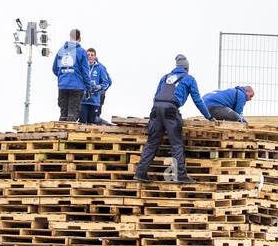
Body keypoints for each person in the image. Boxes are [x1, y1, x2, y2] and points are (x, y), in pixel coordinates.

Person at [133, 54, 214, 183]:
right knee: (176, 144)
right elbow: (197, 100)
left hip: (156, 109)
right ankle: (180, 175)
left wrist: (158, 111)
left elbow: (156, 96)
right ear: (186, 68)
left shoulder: (165, 77)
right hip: (170, 110)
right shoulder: (189, 79)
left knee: (152, 143)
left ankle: (140, 173)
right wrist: (209, 116)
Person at [52, 29, 93, 122]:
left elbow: (54, 69)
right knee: (72, 114)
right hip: (76, 86)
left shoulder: (61, 50)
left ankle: (61, 134)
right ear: (80, 38)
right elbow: (85, 73)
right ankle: (69, 135)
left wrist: (63, 76)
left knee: (63, 114)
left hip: (62, 86)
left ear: (70, 37)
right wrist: (88, 88)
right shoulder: (82, 52)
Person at [79, 48, 113, 124]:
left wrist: (100, 87)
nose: (90, 56)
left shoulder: (100, 68)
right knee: (82, 122)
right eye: (88, 55)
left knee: (93, 122)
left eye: (92, 55)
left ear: (95, 56)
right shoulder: (81, 67)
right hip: (83, 100)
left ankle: (106, 124)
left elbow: (107, 82)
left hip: (94, 100)